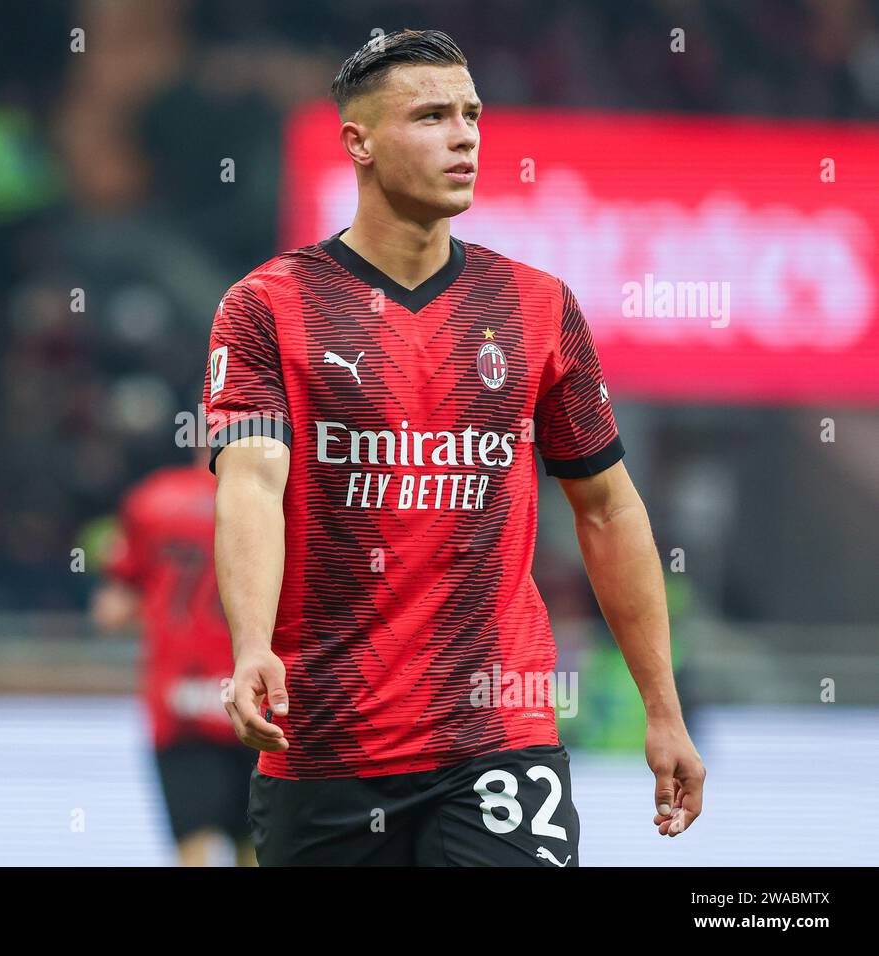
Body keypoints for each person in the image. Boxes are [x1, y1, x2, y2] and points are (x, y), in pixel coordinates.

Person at [203, 29, 704, 866]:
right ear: (357, 143)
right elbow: (251, 485)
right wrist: (252, 643)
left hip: (496, 732)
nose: (464, 135)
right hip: (324, 741)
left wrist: (664, 707)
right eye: (431, 116)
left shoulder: (538, 307)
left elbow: (609, 508)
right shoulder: (267, 307)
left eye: (471, 114)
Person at [92, 447, 256, 866]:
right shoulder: (273, 497)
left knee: (193, 849)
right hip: (259, 700)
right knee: (258, 848)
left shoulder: (154, 500)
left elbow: (112, 607)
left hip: (181, 702)